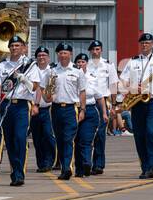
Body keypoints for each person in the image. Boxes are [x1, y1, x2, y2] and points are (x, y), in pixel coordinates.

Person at [118, 33, 153, 179]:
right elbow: (123, 80)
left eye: (147, 43)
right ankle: (146, 166)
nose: (145, 45)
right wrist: (132, 87)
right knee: (139, 135)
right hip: (137, 101)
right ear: (139, 45)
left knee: (151, 132)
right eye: (142, 43)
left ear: (152, 44)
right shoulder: (132, 62)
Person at [36, 43, 87, 180]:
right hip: (55, 108)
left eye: (65, 53)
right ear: (57, 55)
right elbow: (42, 87)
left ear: (70, 54)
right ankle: (65, 166)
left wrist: (83, 109)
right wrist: (46, 96)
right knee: (59, 140)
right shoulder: (51, 70)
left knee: (68, 139)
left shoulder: (77, 71)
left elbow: (82, 92)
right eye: (60, 53)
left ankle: (67, 168)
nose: (63, 55)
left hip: (71, 109)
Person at [0, 36, 35, 186]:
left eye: (17, 45)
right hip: (6, 106)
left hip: (22, 105)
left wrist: (25, 80)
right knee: (10, 141)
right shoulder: (2, 66)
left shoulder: (30, 65)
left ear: (23, 47)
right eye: (12, 45)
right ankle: (14, 171)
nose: (14, 48)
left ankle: (20, 173)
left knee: (19, 138)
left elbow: (35, 88)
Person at [85, 40, 116, 175]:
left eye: (98, 49)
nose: (95, 51)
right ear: (90, 51)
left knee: (100, 134)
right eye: (93, 49)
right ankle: (86, 162)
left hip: (103, 102)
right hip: (90, 101)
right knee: (88, 135)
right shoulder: (86, 64)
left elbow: (113, 84)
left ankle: (98, 164)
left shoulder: (108, 65)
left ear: (101, 50)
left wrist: (114, 105)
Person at [28, 46, 56, 173]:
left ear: (48, 57)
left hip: (48, 108)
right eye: (39, 55)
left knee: (49, 136)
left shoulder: (53, 71)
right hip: (32, 109)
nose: (41, 57)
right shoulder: (31, 71)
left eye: (44, 55)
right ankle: (41, 163)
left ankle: (50, 161)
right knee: (37, 138)